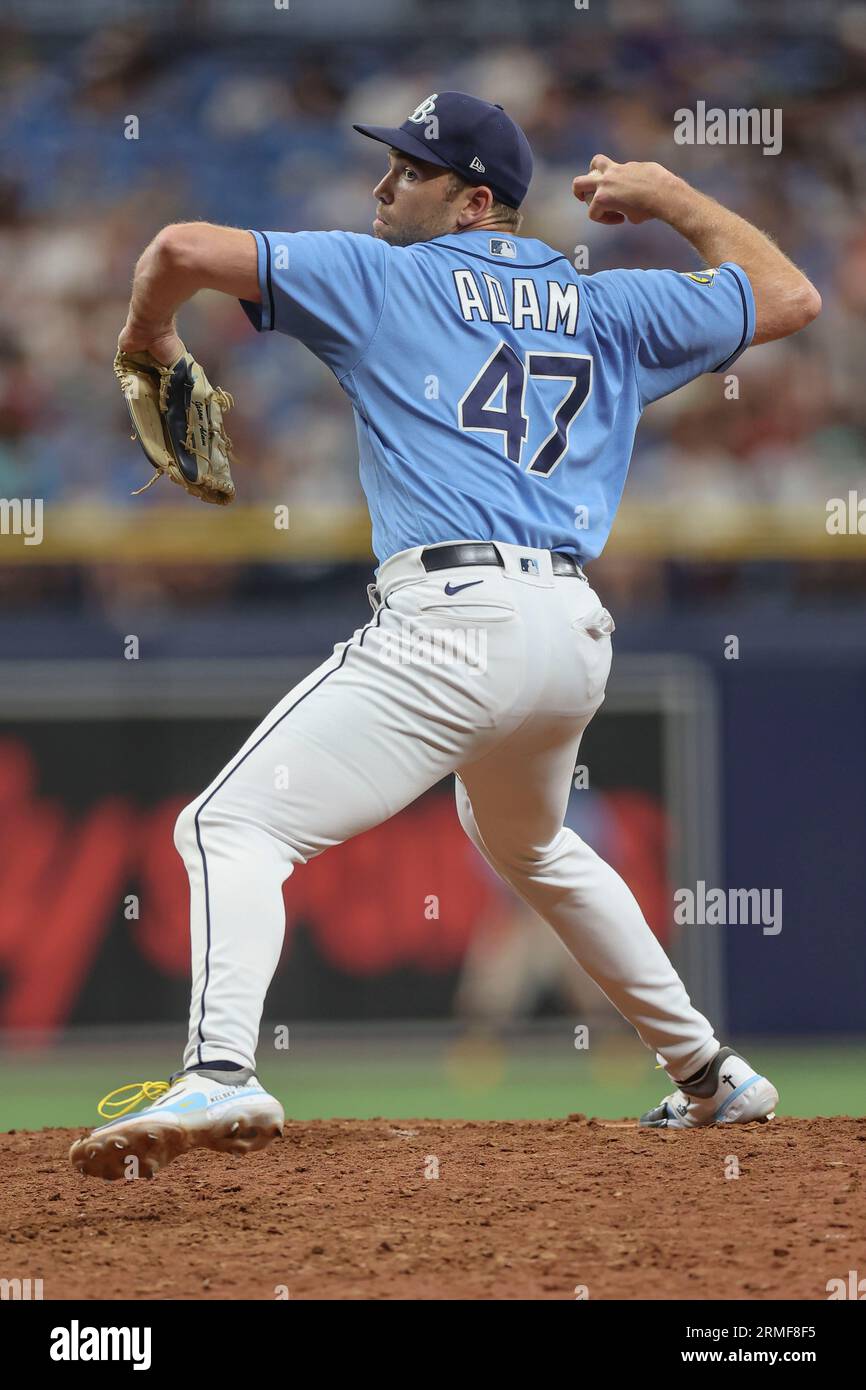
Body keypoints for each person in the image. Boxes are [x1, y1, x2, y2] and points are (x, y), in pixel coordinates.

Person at [71, 92, 819, 1180]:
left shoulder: (381, 276)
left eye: (406, 172)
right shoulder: (607, 307)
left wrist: (145, 336)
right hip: (570, 632)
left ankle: (222, 1071)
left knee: (225, 829)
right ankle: (709, 1075)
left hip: (451, 621)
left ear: (475, 201)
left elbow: (177, 246)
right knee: (531, 844)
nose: (381, 189)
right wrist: (668, 194)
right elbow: (789, 294)